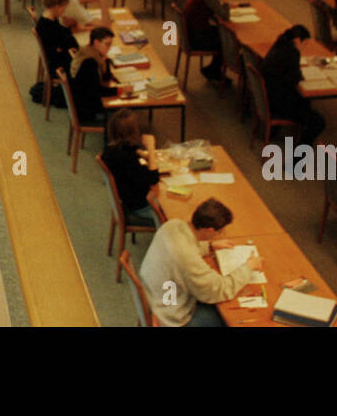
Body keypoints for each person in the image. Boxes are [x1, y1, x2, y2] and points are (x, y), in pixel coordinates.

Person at [138, 198, 264, 327]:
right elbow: (219, 290)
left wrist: (209, 246)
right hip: (170, 314)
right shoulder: (188, 258)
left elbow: (183, 244)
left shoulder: (173, 225)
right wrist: (248, 267)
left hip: (156, 295)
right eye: (219, 231)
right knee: (228, 319)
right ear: (209, 230)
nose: (220, 234)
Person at [259, 25, 326, 144]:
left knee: (306, 104)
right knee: (317, 122)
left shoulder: (279, 44)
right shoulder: (292, 53)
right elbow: (295, 79)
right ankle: (299, 156)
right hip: (279, 104)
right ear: (297, 40)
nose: (305, 47)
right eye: (305, 44)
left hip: (267, 98)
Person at [100, 109, 161, 228]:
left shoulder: (110, 150)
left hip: (129, 198)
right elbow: (153, 178)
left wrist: (140, 153)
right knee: (175, 208)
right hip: (141, 206)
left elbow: (129, 149)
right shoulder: (127, 160)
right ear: (133, 132)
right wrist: (151, 148)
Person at [68, 27, 131, 124]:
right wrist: (121, 90)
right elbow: (97, 91)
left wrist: (106, 60)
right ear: (96, 42)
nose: (109, 48)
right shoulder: (89, 62)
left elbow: (105, 78)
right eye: (107, 44)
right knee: (124, 112)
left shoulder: (91, 51)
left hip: (86, 101)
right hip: (87, 112)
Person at [183, 0, 232, 83]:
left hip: (189, 33)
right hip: (197, 38)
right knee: (227, 41)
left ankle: (213, 69)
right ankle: (213, 71)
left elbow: (209, 9)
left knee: (221, 34)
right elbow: (225, 16)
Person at [35, 0, 79, 97]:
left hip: (56, 56)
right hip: (57, 64)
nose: (64, 12)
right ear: (56, 7)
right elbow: (63, 44)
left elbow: (63, 35)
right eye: (63, 9)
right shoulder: (49, 26)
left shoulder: (48, 18)